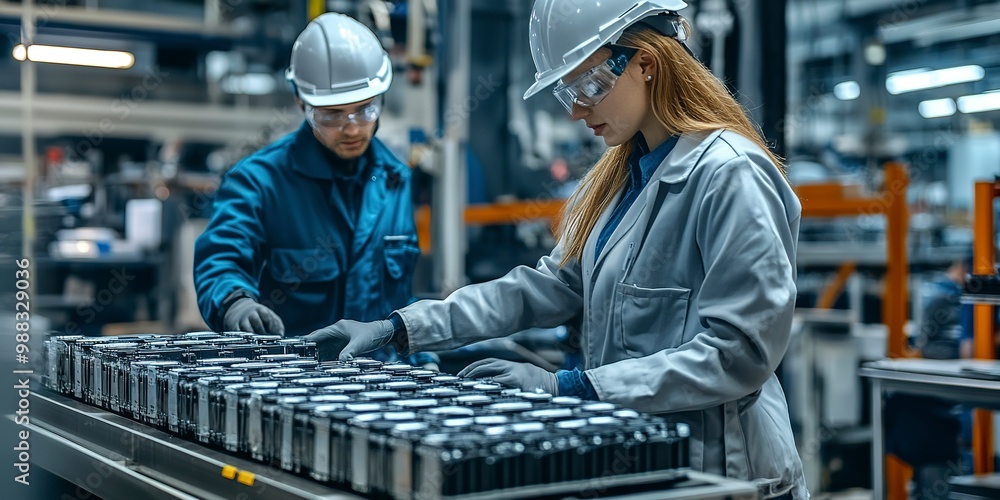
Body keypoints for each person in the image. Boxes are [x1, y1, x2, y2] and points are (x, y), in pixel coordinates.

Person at [306, 1, 806, 497]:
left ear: (646, 64)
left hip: (726, 474)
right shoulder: (619, 180)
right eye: (569, 90)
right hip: (643, 464)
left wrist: (570, 388)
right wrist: (400, 328)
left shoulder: (730, 176)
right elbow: (540, 289)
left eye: (590, 86)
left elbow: (739, 353)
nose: (576, 109)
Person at [194, 13, 434, 366]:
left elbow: (399, 297)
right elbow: (221, 258)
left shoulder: (395, 178)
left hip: (381, 380)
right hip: (294, 379)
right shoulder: (259, 181)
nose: (352, 129)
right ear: (300, 102)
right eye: (332, 115)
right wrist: (235, 302)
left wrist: (422, 355)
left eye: (365, 110)